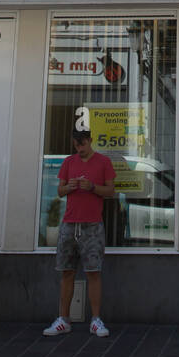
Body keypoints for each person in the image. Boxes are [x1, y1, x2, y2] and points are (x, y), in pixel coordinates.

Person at [44, 130, 115, 337]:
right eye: (76, 145)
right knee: (66, 271)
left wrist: (92, 187)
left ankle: (96, 319)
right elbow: (59, 191)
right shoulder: (69, 162)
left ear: (90, 141)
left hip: (92, 225)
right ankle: (63, 319)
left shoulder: (103, 162)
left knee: (94, 271)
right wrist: (70, 187)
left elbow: (111, 191)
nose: (80, 149)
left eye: (82, 144)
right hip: (69, 224)